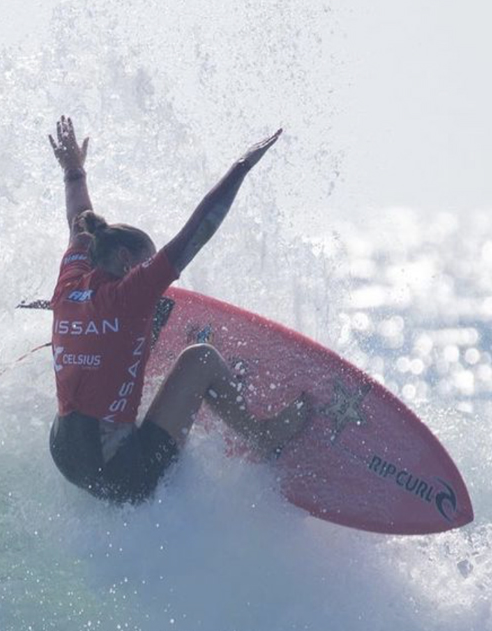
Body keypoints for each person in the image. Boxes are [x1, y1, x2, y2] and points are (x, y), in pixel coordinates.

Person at [47, 115, 309, 504]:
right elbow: (196, 233)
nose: (154, 272)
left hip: (67, 457)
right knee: (200, 358)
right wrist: (241, 168)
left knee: (149, 320)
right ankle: (262, 436)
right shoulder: (127, 295)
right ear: (124, 260)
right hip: (122, 474)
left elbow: (78, 223)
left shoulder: (69, 285)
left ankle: (136, 412)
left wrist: (73, 172)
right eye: (147, 262)